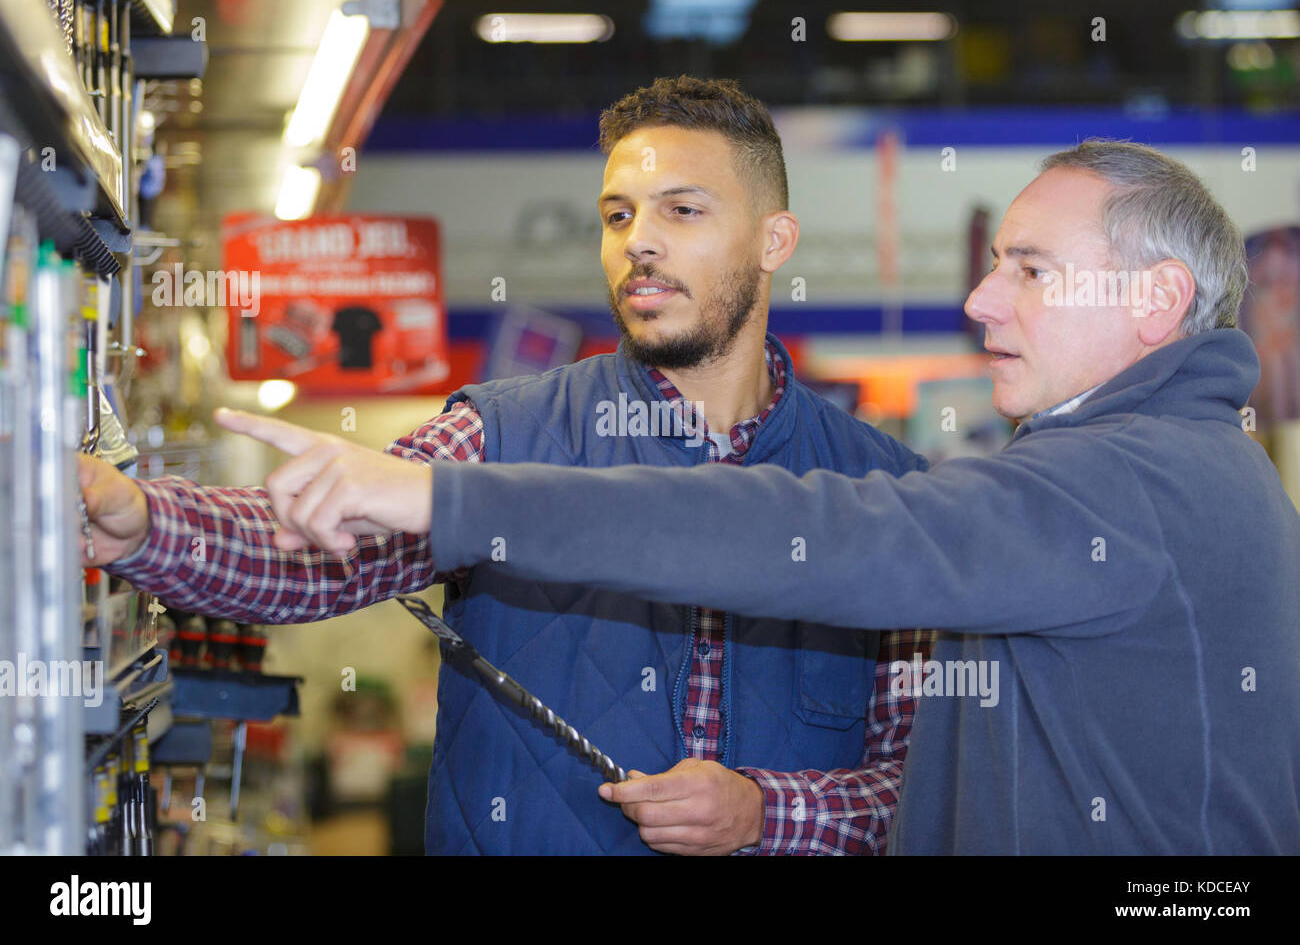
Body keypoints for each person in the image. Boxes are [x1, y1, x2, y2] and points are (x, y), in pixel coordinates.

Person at [221, 139, 1300, 854]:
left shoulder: (1134, 480)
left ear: (1155, 300)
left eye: (1028, 269)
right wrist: (134, 518)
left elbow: (813, 531)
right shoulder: (1167, 464)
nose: (980, 296)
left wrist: (446, 498)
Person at [80, 76, 931, 855]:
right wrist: (144, 520)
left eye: (683, 211)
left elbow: (921, 788)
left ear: (773, 239)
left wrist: (762, 811)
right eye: (619, 214)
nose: (639, 243)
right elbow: (312, 559)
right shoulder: (504, 432)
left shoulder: (888, 492)